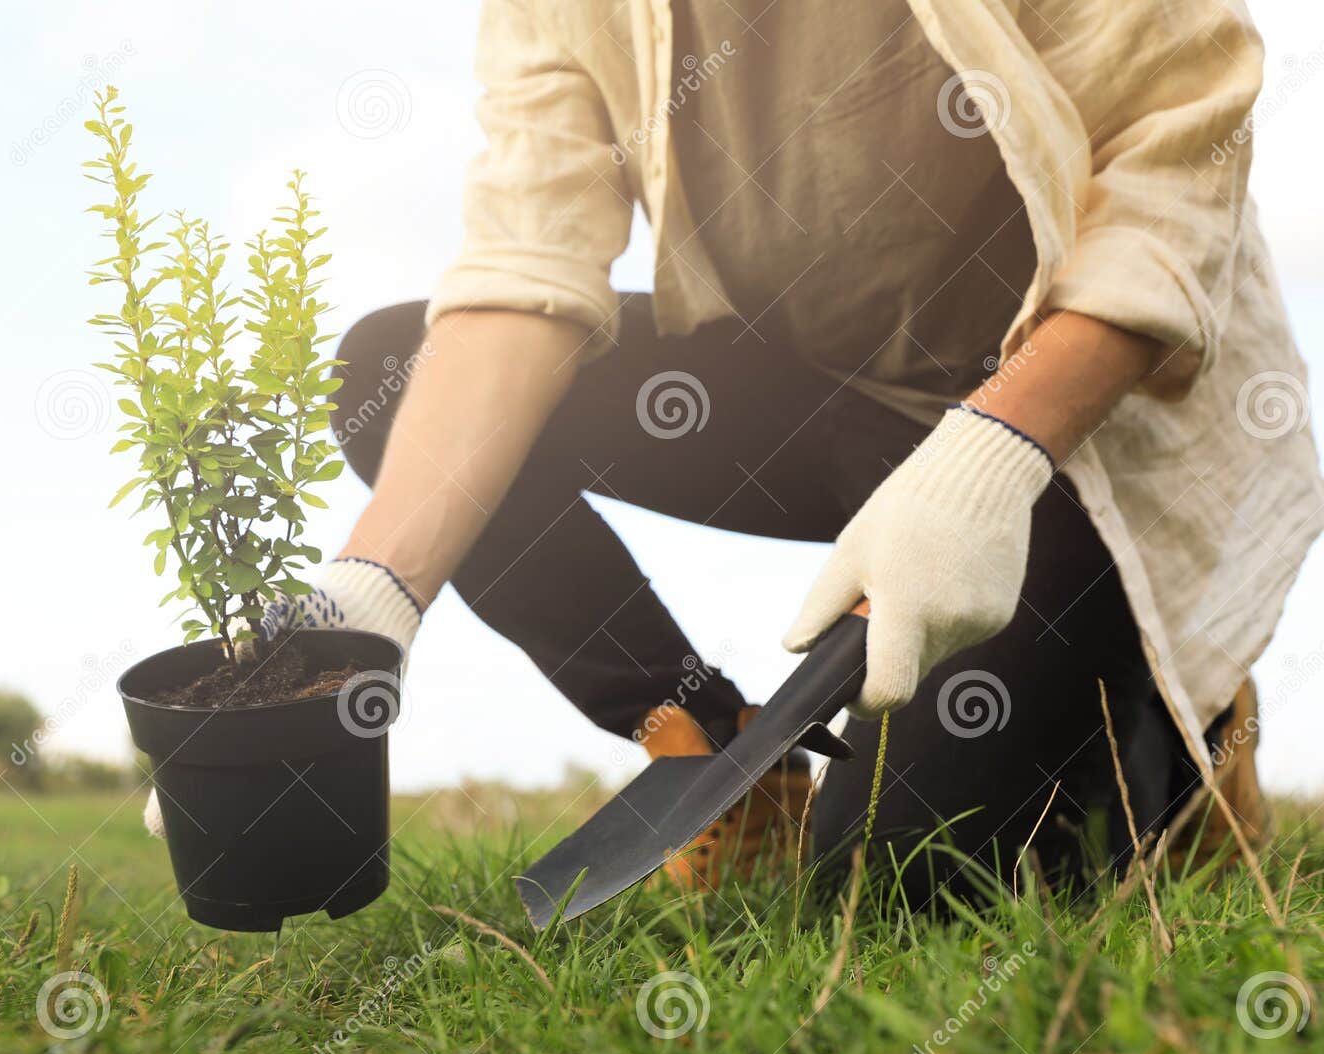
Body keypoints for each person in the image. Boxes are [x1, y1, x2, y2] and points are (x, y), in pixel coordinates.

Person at [150, 0, 1320, 904]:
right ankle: (705, 741)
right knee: (388, 375)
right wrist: (368, 598)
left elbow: (1177, 161)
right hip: (823, 395)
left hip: (1081, 430)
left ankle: (1186, 727)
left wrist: (993, 454)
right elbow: (522, 272)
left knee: (902, 889)